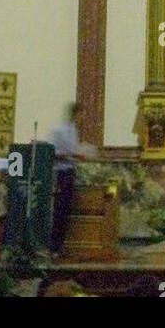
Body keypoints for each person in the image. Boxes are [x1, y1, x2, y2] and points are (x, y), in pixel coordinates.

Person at [47, 102, 95, 256]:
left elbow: (72, 150)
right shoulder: (59, 130)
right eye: (82, 114)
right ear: (76, 114)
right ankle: (53, 247)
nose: (83, 118)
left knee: (66, 210)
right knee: (59, 210)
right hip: (61, 173)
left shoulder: (73, 130)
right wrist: (73, 154)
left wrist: (79, 153)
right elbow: (52, 151)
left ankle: (59, 246)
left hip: (70, 172)